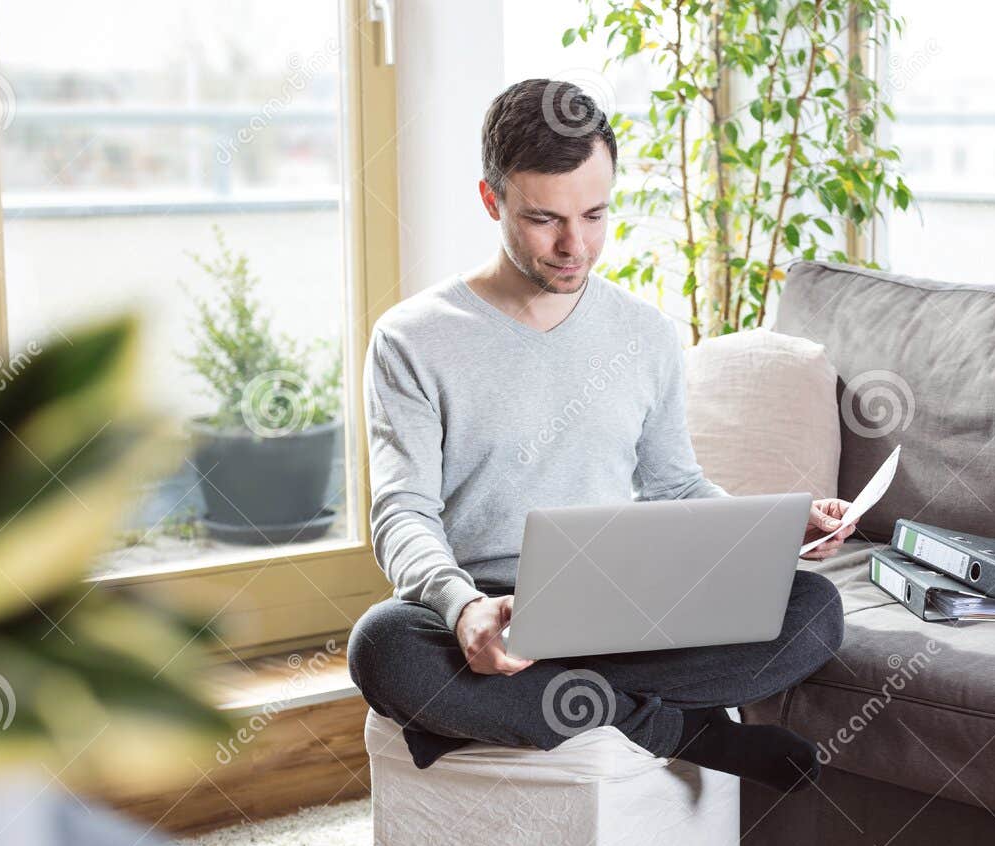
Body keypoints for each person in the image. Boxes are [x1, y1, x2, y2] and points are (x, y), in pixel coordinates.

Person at [347, 78, 852, 793]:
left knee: (813, 612)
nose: (574, 246)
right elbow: (403, 513)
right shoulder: (414, 339)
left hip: (625, 604)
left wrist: (773, 527)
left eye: (594, 215)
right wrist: (462, 612)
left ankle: (520, 710)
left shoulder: (644, 333)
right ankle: (682, 730)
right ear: (492, 201)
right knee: (384, 648)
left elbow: (675, 487)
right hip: (490, 611)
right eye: (544, 219)